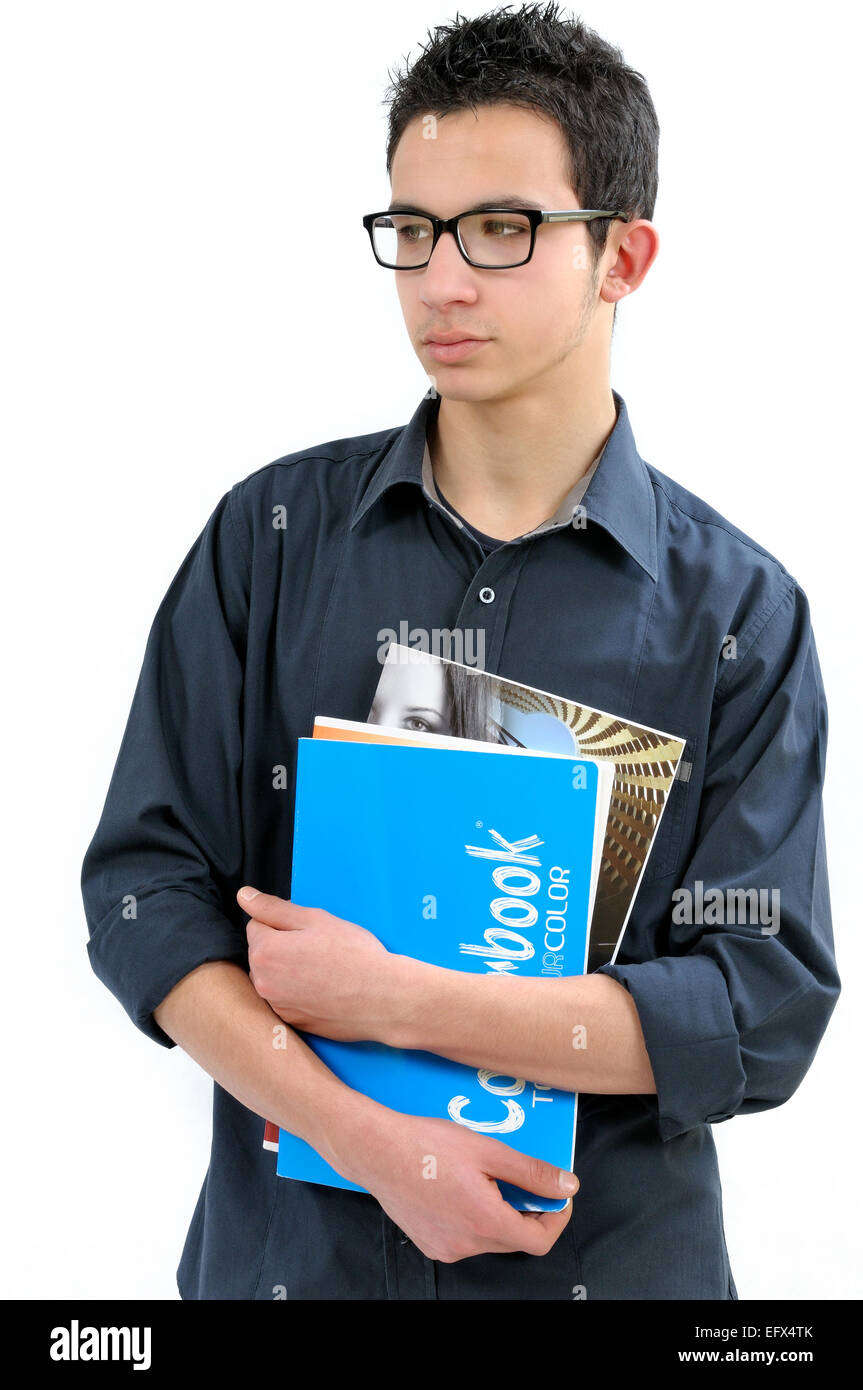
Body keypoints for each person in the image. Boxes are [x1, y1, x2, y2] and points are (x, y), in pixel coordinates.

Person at [80, 2, 840, 1300]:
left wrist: (399, 1000)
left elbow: (757, 1004)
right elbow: (145, 895)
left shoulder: (740, 619)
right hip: (292, 1268)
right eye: (414, 229)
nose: (440, 279)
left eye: (503, 229)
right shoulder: (266, 543)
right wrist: (366, 1140)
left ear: (625, 258)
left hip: (609, 1271)